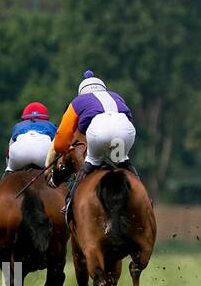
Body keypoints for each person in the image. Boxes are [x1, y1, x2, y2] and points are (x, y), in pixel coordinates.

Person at [46, 71, 138, 222]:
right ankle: (145, 197)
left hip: (98, 132)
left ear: (82, 92)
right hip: (124, 130)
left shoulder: (78, 102)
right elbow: (128, 118)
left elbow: (61, 137)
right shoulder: (115, 96)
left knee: (91, 163)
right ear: (103, 88)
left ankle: (69, 204)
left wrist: (64, 150)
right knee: (122, 162)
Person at [5, 102, 57, 172]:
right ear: (46, 118)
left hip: (19, 155)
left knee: (9, 170)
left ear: (24, 118)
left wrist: (9, 166)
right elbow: (57, 147)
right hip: (43, 155)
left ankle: (8, 172)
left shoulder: (17, 126)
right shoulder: (51, 126)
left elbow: (8, 153)